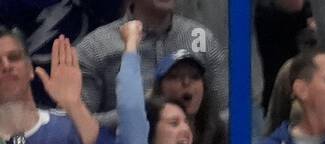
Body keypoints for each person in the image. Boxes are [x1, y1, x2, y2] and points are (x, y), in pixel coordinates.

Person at [75, 0, 228, 129]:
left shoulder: (202, 39)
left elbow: (228, 112)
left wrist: (196, 130)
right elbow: (74, 123)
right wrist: (142, 113)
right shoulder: (95, 48)